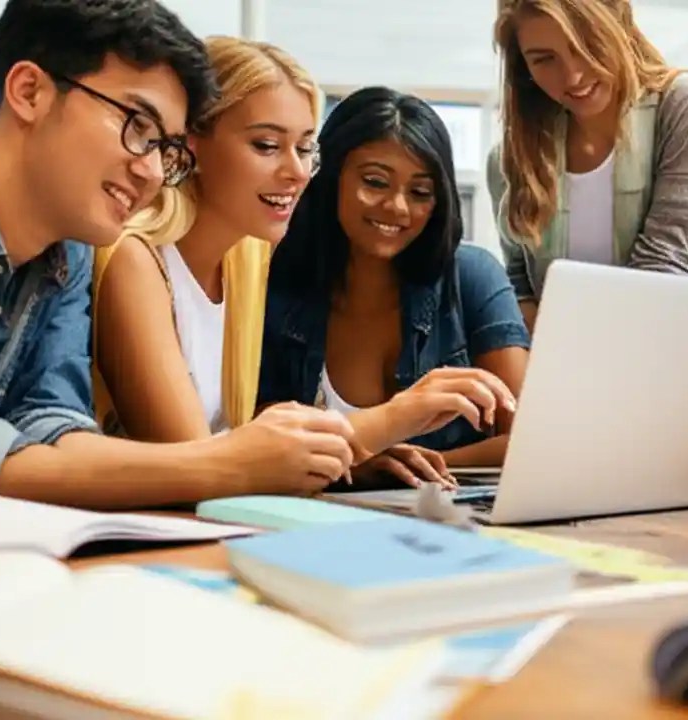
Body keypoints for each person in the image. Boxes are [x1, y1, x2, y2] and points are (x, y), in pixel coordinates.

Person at [0, 0, 370, 511]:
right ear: (30, 90)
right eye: (137, 127)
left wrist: (233, 460)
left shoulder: (70, 252)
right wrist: (226, 465)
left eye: (165, 149)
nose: (152, 172)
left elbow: (54, 426)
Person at [90, 38, 501, 496]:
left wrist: (348, 463)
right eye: (267, 145)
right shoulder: (135, 260)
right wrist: (395, 417)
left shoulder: (247, 261)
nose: (298, 172)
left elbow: (243, 446)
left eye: (305, 149)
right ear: (192, 140)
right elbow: (205, 467)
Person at [260, 87, 530, 485]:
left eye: (420, 192)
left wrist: (419, 464)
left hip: (448, 518)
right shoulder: (277, 283)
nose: (398, 207)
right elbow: (255, 428)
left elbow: (527, 436)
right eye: (375, 182)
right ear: (329, 174)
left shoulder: (471, 276)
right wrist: (352, 462)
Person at [488, 0, 688, 332]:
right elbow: (519, 284)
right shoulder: (510, 157)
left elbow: (666, 265)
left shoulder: (681, 106)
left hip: (656, 345)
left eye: (586, 45)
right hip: (554, 362)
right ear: (523, 67)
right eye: (544, 59)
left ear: (619, 22)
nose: (573, 76)